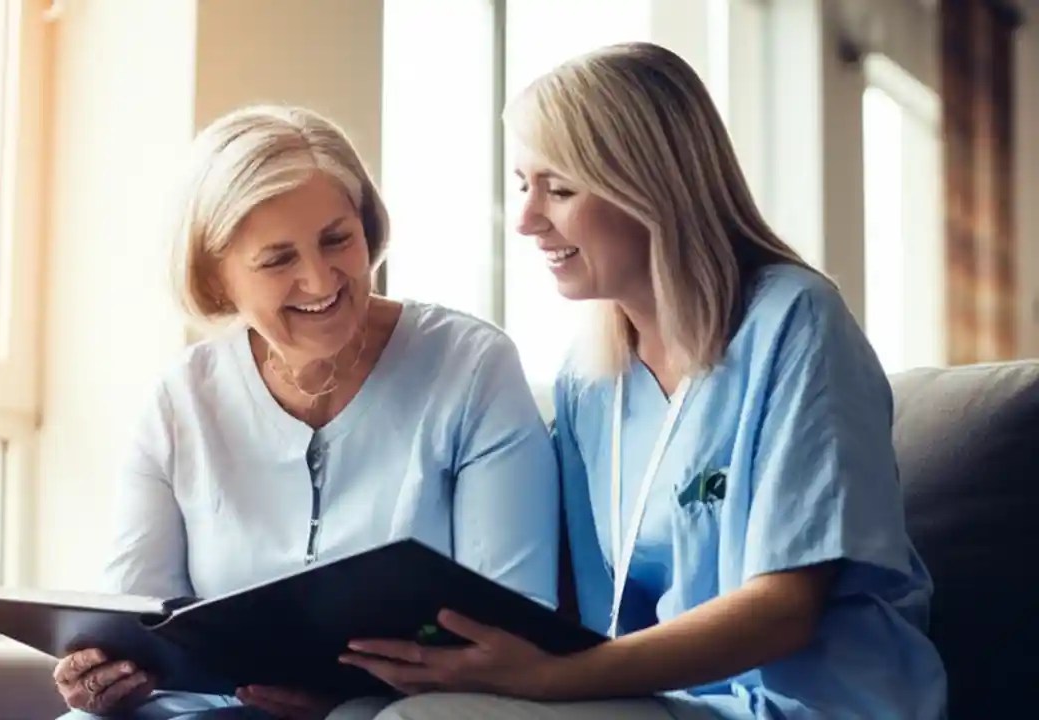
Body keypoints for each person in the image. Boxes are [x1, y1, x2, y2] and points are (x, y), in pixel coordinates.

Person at [338, 42, 948, 720]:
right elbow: (556, 589)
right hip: (654, 701)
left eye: (560, 189)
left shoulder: (794, 322)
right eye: (523, 184)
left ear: (651, 187)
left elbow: (783, 612)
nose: (527, 219)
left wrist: (547, 683)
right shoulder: (590, 379)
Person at [53, 105, 559, 720]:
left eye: (337, 239)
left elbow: (513, 625)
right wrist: (104, 676)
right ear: (217, 278)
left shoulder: (471, 366)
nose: (321, 281)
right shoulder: (180, 399)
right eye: (277, 260)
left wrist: (347, 701)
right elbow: (135, 616)